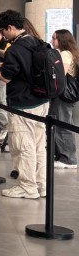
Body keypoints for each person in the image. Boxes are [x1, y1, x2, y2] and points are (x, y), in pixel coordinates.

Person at [0, 10, 48, 199]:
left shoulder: (16, 49)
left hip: (22, 105)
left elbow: (7, 78)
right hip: (41, 101)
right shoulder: (36, 42)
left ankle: (27, 186)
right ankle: (42, 186)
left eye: (3, 31)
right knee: (39, 146)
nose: (3, 35)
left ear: (10, 28)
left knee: (23, 146)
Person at [52, 29, 78, 169]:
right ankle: (63, 155)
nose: (52, 41)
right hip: (63, 95)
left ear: (61, 40)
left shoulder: (65, 54)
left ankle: (68, 159)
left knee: (63, 125)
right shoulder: (68, 53)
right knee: (61, 123)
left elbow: (61, 74)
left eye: (54, 38)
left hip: (63, 95)